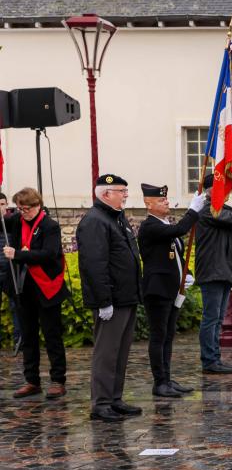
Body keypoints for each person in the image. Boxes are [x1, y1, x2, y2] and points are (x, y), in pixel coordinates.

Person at [76, 174, 144, 422]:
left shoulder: (116, 218)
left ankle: (115, 398)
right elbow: (94, 265)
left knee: (120, 351)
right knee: (106, 353)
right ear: (105, 194)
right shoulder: (95, 221)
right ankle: (101, 403)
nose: (126, 194)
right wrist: (104, 301)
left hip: (126, 297)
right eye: (121, 191)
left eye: (126, 190)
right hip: (112, 300)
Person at [137, 183, 204, 397]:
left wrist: (187, 272)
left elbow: (176, 255)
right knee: (159, 336)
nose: (166, 202)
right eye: (161, 200)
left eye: (166, 199)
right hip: (157, 291)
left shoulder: (165, 224)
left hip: (172, 289)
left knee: (168, 335)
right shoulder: (150, 226)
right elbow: (180, 230)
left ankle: (167, 377)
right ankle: (159, 382)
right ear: (148, 204)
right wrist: (194, 209)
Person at [2, 187, 68, 398]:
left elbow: (49, 254)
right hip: (23, 288)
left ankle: (58, 380)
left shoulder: (50, 226)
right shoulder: (16, 221)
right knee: (28, 336)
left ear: (37, 205)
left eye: (27, 209)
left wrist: (18, 254)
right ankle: (32, 380)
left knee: (52, 336)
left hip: (46, 286)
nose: (23, 213)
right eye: (19, 209)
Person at [194, 174, 232, 374]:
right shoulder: (208, 210)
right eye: (222, 188)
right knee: (211, 318)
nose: (226, 192)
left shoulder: (220, 209)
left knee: (218, 319)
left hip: (223, 270)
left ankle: (215, 358)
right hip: (212, 270)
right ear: (211, 190)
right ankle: (209, 360)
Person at [0, 192, 24, 354]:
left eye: (3, 204)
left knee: (16, 305)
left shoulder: (13, 221)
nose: (1, 208)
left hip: (10, 270)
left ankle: (19, 339)